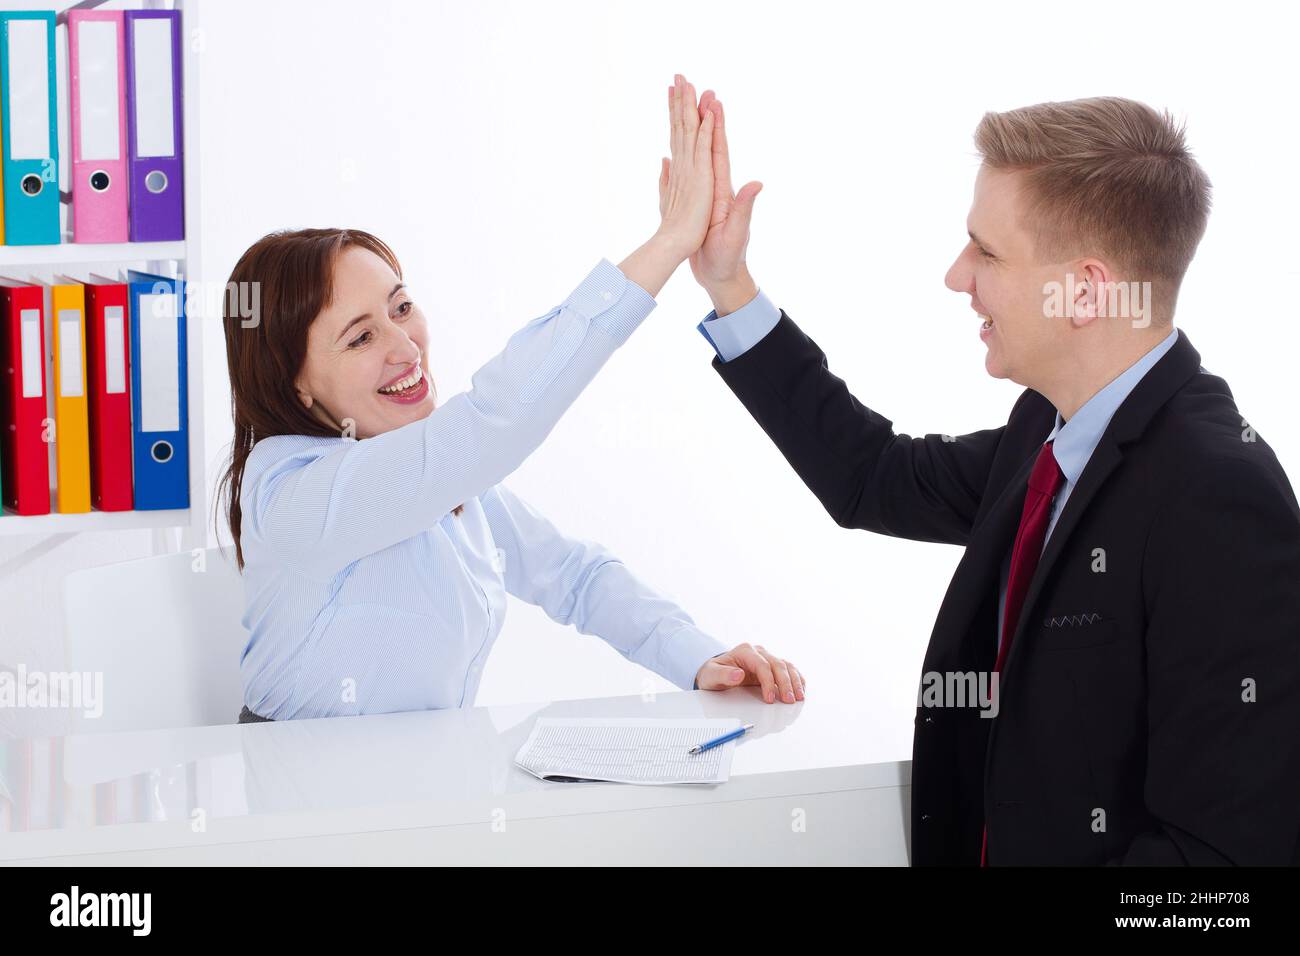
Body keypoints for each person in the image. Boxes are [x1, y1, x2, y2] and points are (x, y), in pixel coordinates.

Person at [686, 91, 1300, 865]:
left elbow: (1219, 871)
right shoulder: (1048, 428)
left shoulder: (1218, 496)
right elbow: (874, 476)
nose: (955, 275)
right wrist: (729, 284)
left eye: (987, 252)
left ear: (1085, 290)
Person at [216, 75, 805, 722]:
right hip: (303, 813)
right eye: (360, 338)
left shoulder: (441, 479)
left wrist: (699, 658)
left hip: (419, 793)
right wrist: (669, 243)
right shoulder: (294, 492)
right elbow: (489, 425)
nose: (406, 348)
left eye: (401, 308)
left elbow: (577, 578)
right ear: (293, 380)